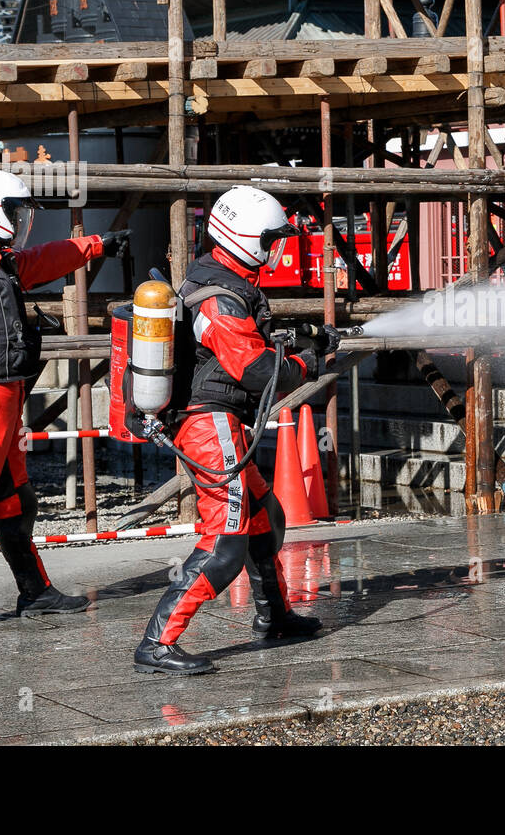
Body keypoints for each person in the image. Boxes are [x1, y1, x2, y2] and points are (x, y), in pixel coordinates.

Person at [0, 168, 131, 637]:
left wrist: (97, 244)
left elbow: (42, 260)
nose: (19, 220)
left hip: (8, 397)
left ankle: (34, 592)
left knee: (16, 499)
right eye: (14, 211)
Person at [135, 186, 333, 676]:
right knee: (225, 541)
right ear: (246, 238)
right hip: (208, 422)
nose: (275, 248)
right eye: (270, 239)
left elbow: (250, 351)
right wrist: (310, 362)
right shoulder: (221, 296)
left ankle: (275, 615)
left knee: (265, 516)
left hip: (219, 418)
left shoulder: (226, 278)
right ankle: (157, 642)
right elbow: (258, 371)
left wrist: (304, 348)